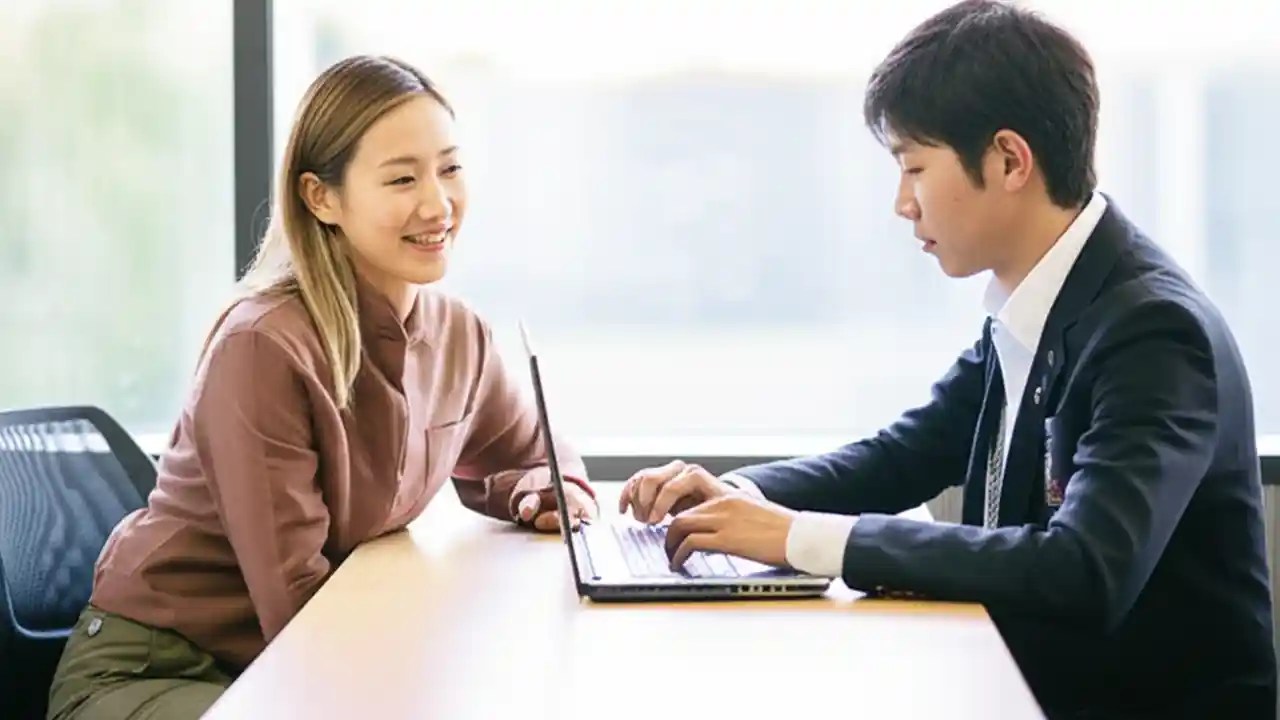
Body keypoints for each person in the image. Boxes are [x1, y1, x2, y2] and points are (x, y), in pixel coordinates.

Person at [619, 2, 1275, 717]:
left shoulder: (1152, 331)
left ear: (1009, 160)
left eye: (914, 167)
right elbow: (905, 455)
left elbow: (1084, 569)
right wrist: (739, 497)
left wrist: (797, 537)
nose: (903, 203)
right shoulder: (1038, 298)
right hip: (1017, 683)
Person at [46, 55, 598, 720]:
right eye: (402, 178)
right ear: (321, 197)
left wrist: (544, 492)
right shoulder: (263, 347)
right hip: (159, 668)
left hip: (285, 667)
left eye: (450, 168)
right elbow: (299, 608)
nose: (438, 203)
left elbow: (536, 454)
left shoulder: (457, 334)